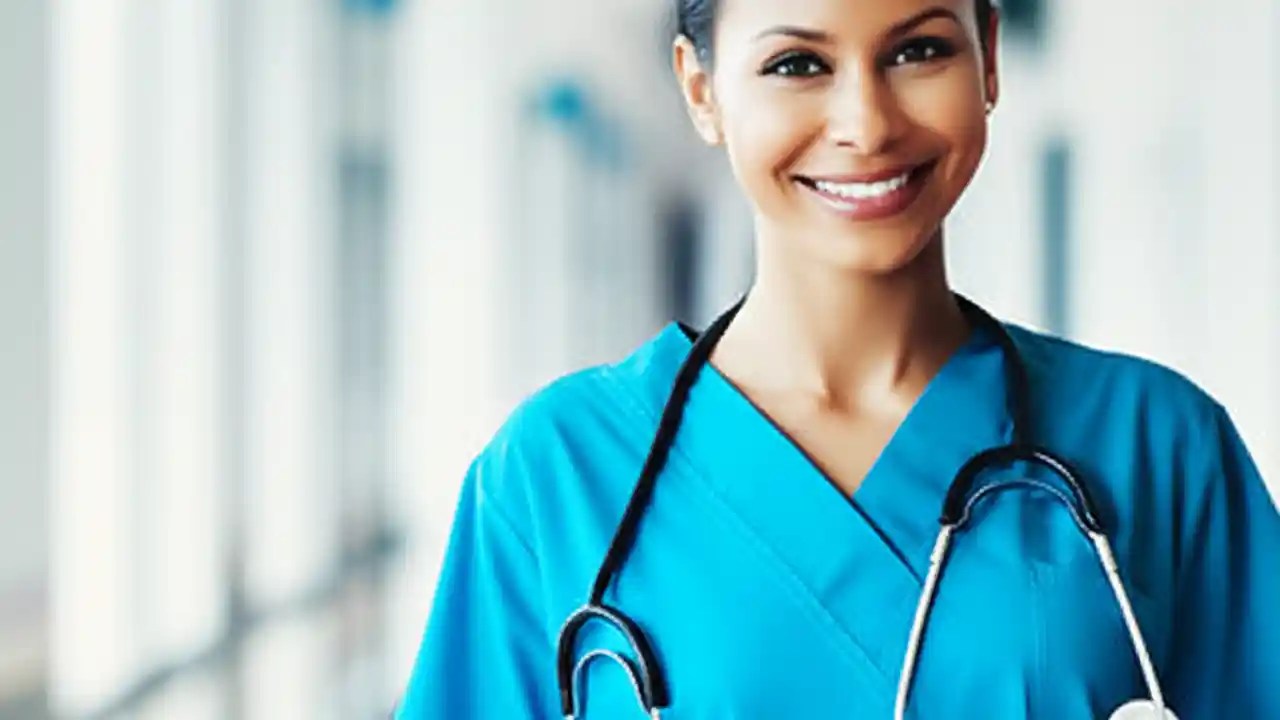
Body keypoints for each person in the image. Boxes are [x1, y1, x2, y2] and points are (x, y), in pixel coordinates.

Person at [393, 0, 1280, 717]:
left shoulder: (1159, 445)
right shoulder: (557, 473)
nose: (867, 122)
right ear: (700, 89)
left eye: (920, 50)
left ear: (991, 59)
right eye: (796, 64)